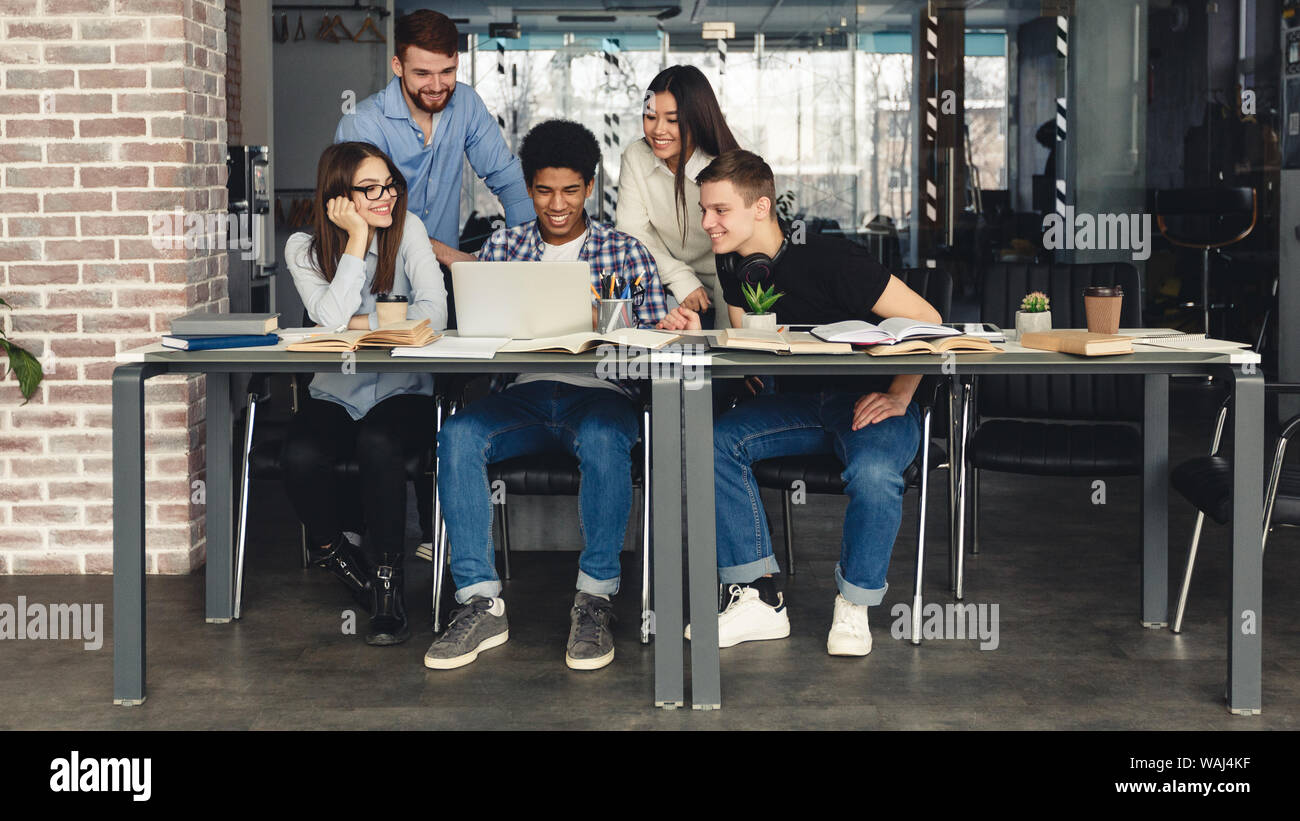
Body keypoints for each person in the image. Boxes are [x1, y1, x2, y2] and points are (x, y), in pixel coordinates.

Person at [657, 149, 942, 656]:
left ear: (761, 208)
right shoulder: (733, 264)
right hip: (801, 407)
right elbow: (751, 345)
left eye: (719, 211)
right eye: (704, 210)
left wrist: (899, 395)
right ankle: (757, 600)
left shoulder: (834, 259)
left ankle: (853, 608)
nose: (707, 223)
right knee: (712, 440)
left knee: (875, 474)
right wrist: (702, 334)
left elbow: (930, 322)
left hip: (870, 403)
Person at [425, 120, 666, 672]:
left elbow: (649, 346)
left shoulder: (625, 254)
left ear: (591, 186)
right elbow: (479, 336)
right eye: (543, 190)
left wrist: (627, 330)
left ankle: (595, 597)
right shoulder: (503, 247)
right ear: (528, 189)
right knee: (458, 434)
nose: (557, 204)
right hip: (525, 397)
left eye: (571, 190)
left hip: (601, 395)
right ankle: (480, 602)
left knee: (607, 438)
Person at [282, 141, 448, 647]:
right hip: (335, 391)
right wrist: (356, 241)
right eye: (369, 189)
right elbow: (327, 320)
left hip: (404, 392)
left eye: (389, 185)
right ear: (339, 196)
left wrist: (359, 321)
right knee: (299, 455)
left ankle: (387, 580)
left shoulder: (410, 229)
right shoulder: (303, 248)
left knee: (379, 443)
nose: (385, 197)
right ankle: (336, 554)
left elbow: (435, 315)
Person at [335, 9, 533, 266]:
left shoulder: (466, 104)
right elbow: (367, 212)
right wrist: (452, 257)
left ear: (457, 62)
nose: (438, 86)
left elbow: (509, 181)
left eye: (447, 72)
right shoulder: (362, 124)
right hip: (378, 272)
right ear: (398, 67)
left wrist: (526, 255)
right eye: (423, 74)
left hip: (441, 275)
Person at [616, 65, 740, 328]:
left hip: (730, 282)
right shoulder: (636, 157)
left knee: (725, 360)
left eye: (672, 120)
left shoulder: (726, 163)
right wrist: (679, 278)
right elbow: (632, 233)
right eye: (650, 117)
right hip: (668, 289)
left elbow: (736, 245)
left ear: (697, 120)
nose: (659, 130)